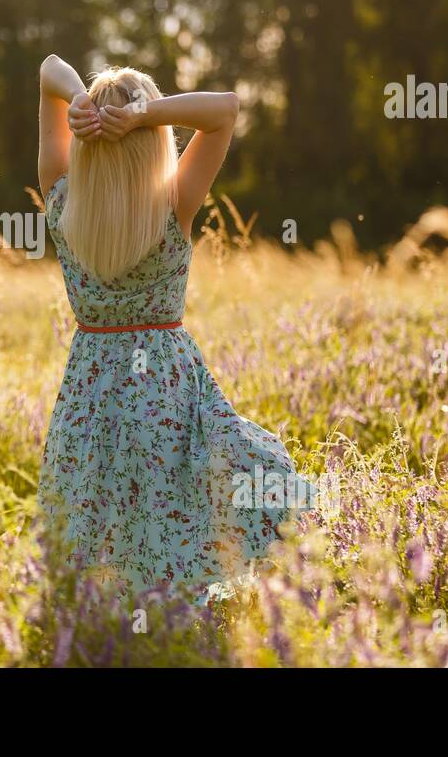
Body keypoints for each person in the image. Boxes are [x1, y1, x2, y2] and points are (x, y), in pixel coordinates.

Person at [35, 53, 316, 602]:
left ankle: (110, 638)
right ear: (153, 143)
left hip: (91, 388)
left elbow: (48, 70)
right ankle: (174, 634)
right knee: (178, 512)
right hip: (166, 387)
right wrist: (147, 113)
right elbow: (225, 110)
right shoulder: (174, 206)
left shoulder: (61, 198)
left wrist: (79, 99)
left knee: (96, 521)